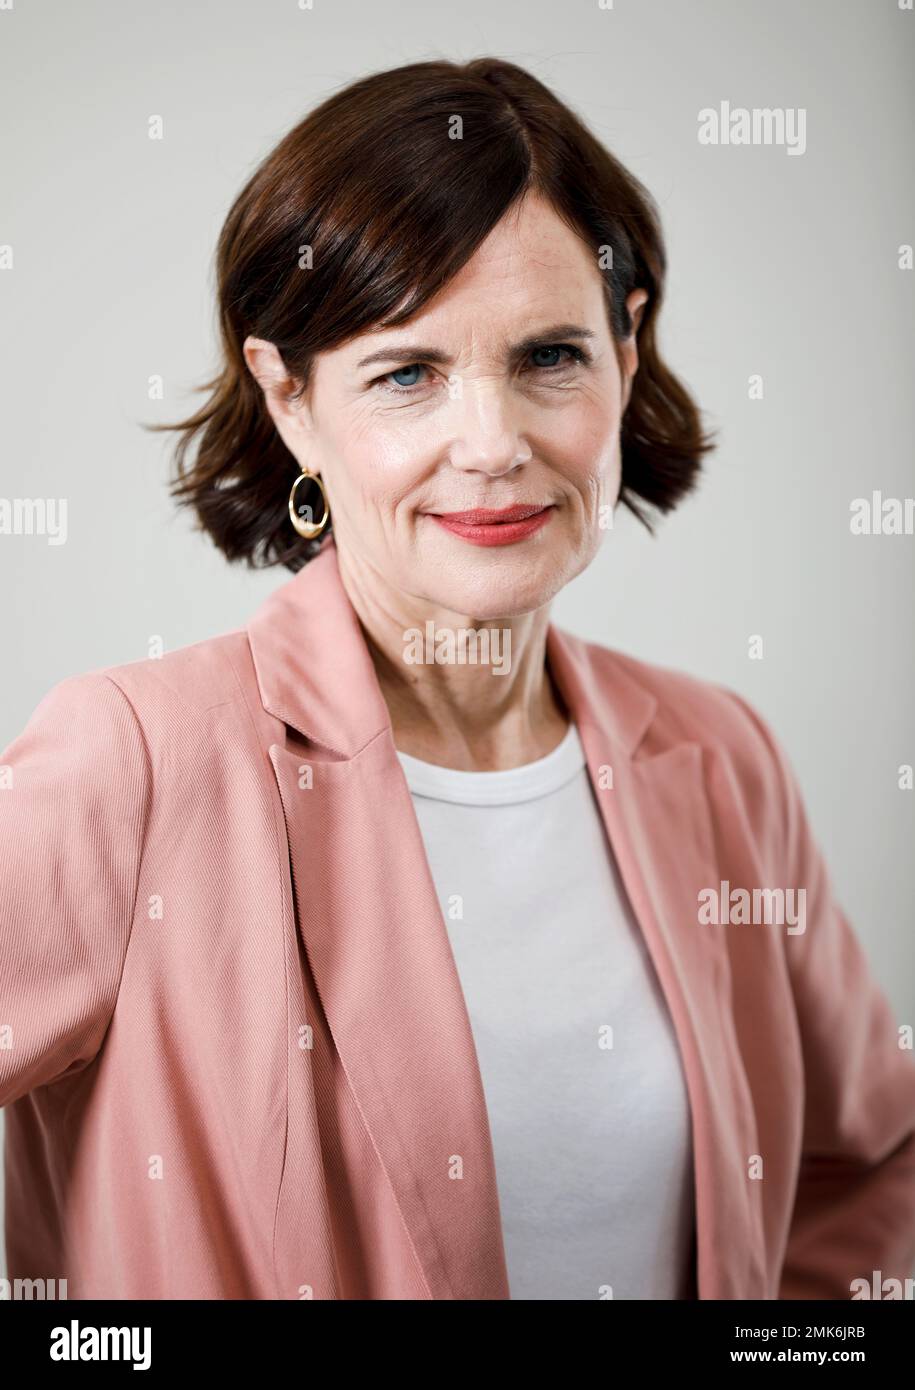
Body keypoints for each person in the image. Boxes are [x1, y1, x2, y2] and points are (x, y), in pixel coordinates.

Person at [2, 57, 914, 1301]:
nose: (491, 445)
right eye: (407, 373)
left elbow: (866, 1166)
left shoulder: (721, 755)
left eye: (549, 357)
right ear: (291, 399)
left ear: (627, 349)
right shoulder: (138, 758)